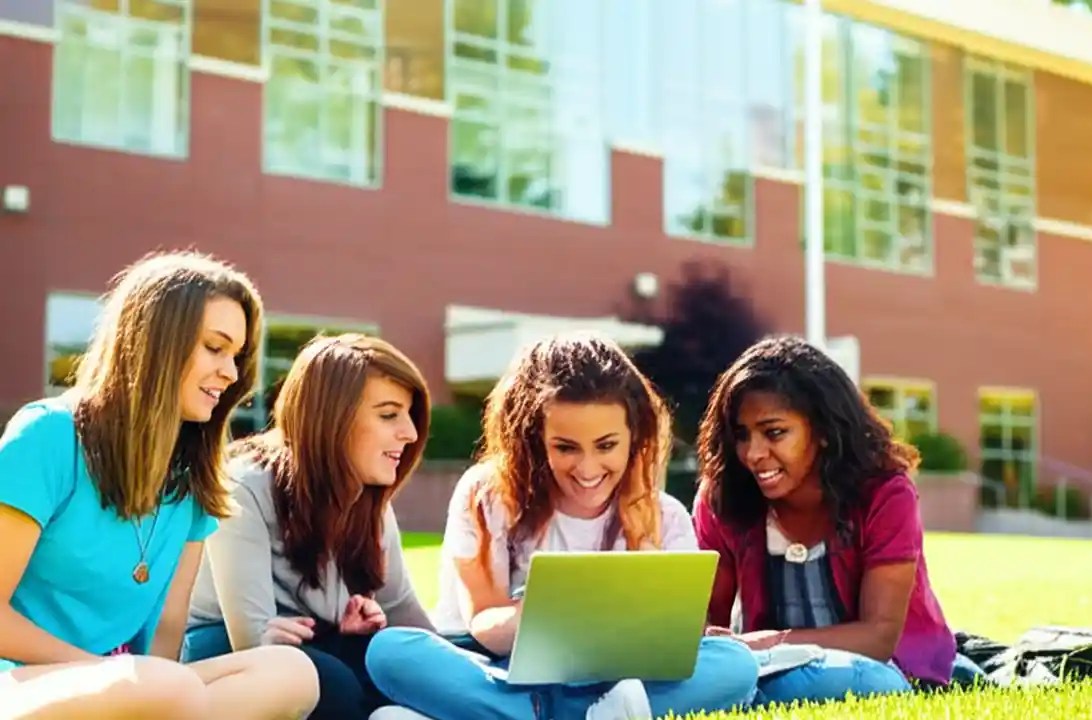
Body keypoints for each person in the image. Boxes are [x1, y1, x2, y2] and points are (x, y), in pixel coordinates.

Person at [364, 333, 759, 720]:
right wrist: (564, 621)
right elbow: (484, 621)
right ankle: (577, 714)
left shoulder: (665, 516)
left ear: (634, 437)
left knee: (735, 664)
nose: (587, 469)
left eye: (606, 446)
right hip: (494, 667)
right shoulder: (487, 495)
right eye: (566, 447)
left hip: (617, 679)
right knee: (390, 651)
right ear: (535, 440)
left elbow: (676, 637)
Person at [0, 251, 319, 719]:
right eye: (215, 347)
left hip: (140, 688)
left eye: (236, 355)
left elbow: (168, 630)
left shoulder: (191, 476)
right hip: (20, 682)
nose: (231, 373)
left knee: (291, 671)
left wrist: (139, 686)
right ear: (155, 341)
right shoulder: (48, 436)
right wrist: (110, 677)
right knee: (162, 687)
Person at [693, 335, 982, 708]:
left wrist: (764, 642)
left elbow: (878, 638)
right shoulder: (723, 499)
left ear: (824, 431)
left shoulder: (885, 495)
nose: (753, 453)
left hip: (891, 670)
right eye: (741, 436)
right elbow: (703, 636)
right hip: (772, 670)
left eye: (774, 432)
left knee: (867, 684)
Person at [184, 333, 436, 719]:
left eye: (408, 415)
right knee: (336, 685)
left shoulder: (370, 501)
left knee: (399, 671)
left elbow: (402, 609)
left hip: (315, 644)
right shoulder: (246, 487)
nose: (411, 433)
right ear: (331, 419)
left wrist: (453, 668)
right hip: (228, 650)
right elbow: (252, 637)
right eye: (388, 415)